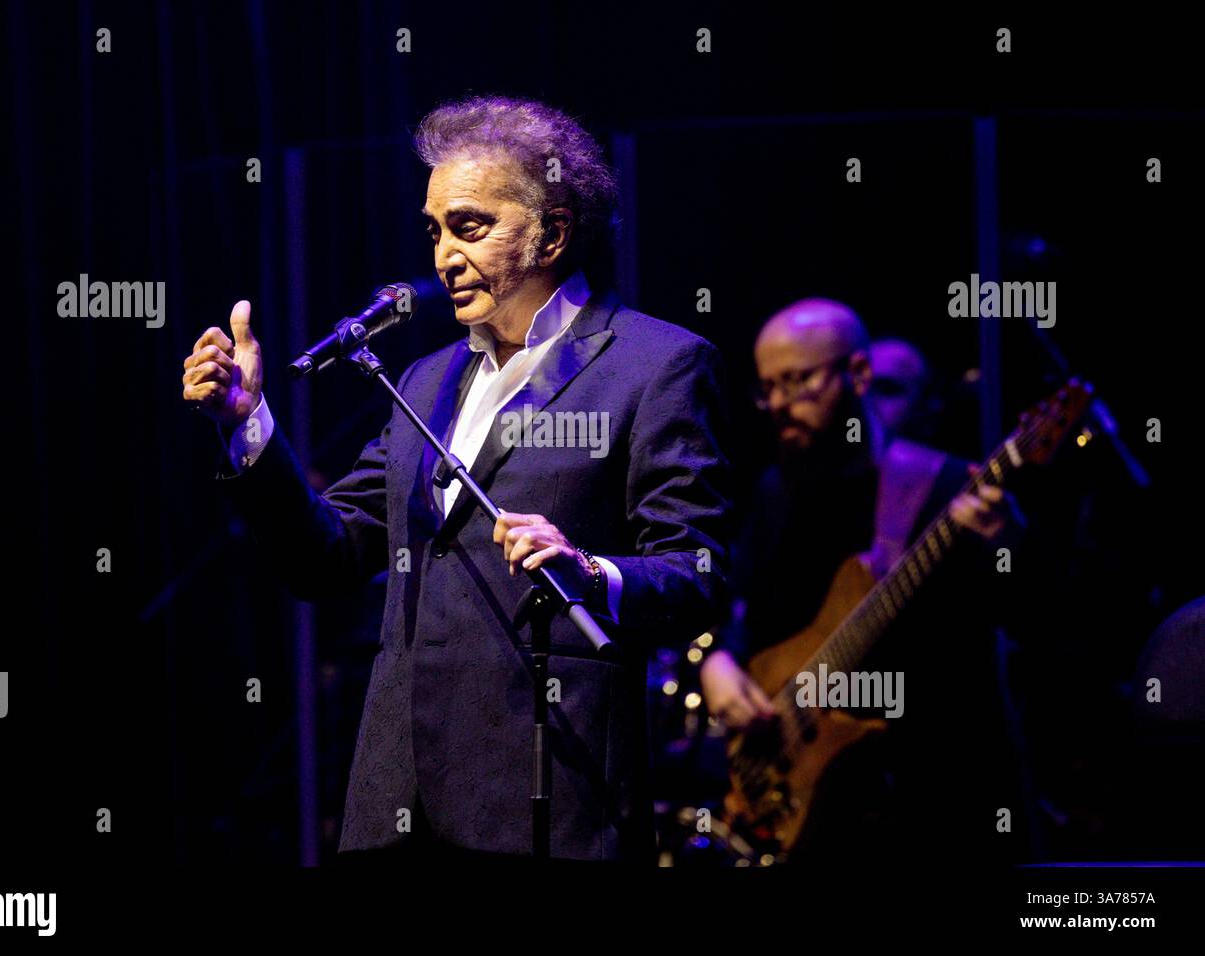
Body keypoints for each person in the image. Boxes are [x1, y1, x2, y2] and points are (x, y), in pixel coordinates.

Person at [180, 95, 732, 862]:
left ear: (551, 232)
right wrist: (247, 426)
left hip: (552, 803)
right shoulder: (427, 380)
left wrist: (587, 571)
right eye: (435, 230)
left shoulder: (656, 366)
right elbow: (327, 556)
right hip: (396, 804)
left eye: (470, 225)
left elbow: (697, 573)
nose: (443, 254)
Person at [700, 298, 1025, 862]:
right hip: (817, 815)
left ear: (858, 373)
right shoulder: (776, 493)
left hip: (933, 795)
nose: (779, 404)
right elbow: (737, 605)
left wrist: (1007, 546)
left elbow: (1030, 619)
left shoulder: (940, 486)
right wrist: (719, 662)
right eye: (767, 388)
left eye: (797, 382)